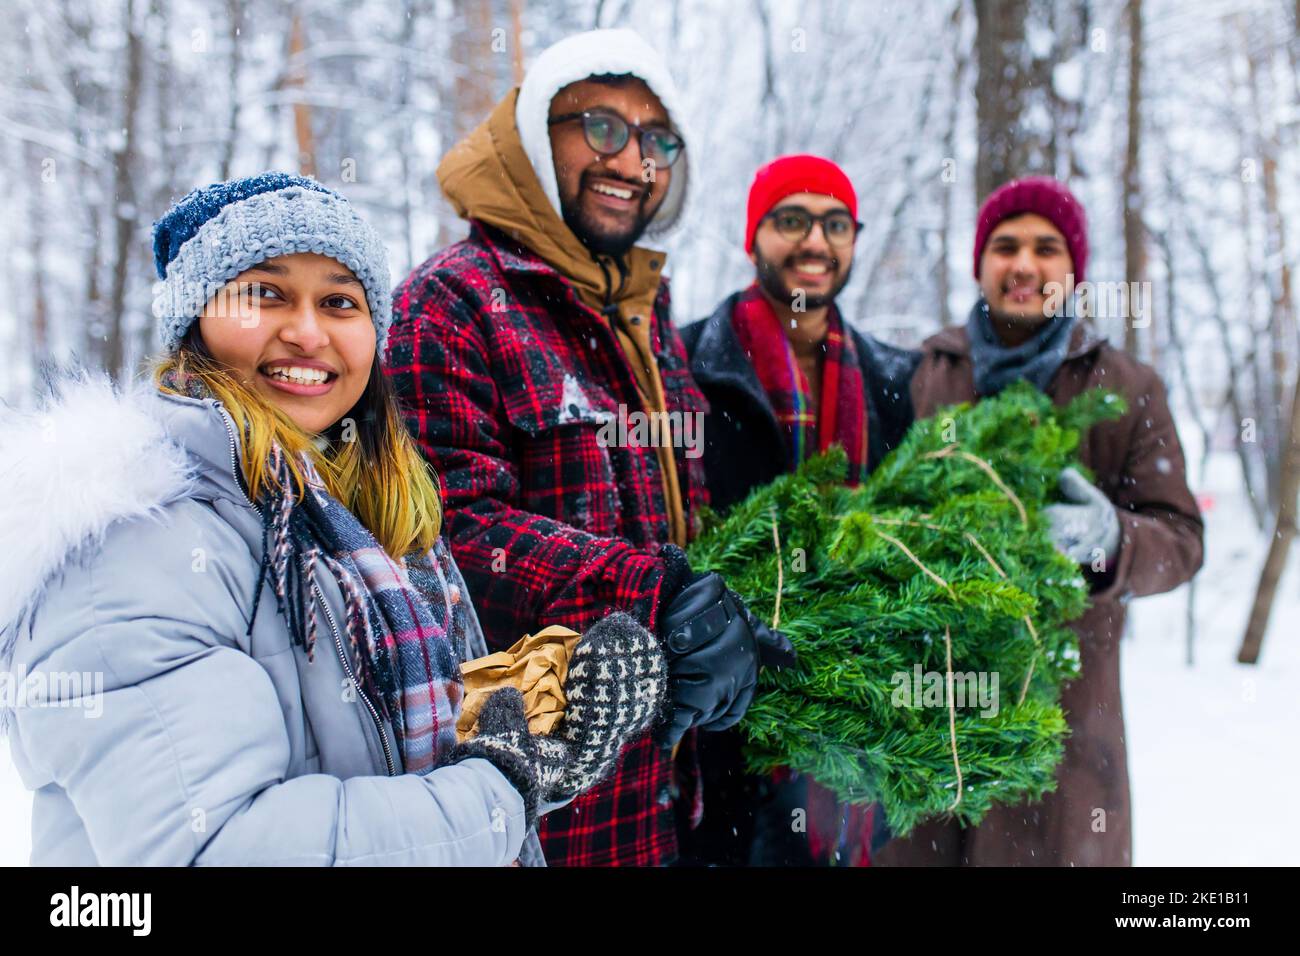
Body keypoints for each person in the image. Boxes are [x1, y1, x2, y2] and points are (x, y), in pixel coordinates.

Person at [0, 172, 663, 866]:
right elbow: (225, 848)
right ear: (195, 323)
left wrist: (539, 729)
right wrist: (500, 790)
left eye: (341, 301)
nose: (309, 332)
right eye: (264, 293)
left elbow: (376, 754)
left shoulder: (359, 522)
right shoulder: (135, 544)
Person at [386, 29, 789, 867]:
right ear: (536, 136)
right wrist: (657, 593)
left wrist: (734, 613)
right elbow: (443, 539)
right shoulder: (450, 303)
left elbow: (678, 518)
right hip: (536, 813)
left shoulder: (642, 321)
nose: (632, 159)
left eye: (657, 139)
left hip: (658, 799)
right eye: (600, 126)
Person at [873, 175, 1204, 867]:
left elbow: (1181, 539)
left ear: (1072, 270)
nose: (1024, 264)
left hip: (1067, 728)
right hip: (929, 727)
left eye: (1046, 248)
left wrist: (1116, 541)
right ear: (981, 263)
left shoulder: (1125, 387)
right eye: (1006, 245)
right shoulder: (921, 378)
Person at [679, 155, 918, 866]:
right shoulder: (688, 364)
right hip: (718, 733)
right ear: (755, 236)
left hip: (853, 731)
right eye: (791, 220)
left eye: (835, 224)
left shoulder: (896, 382)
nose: (815, 242)